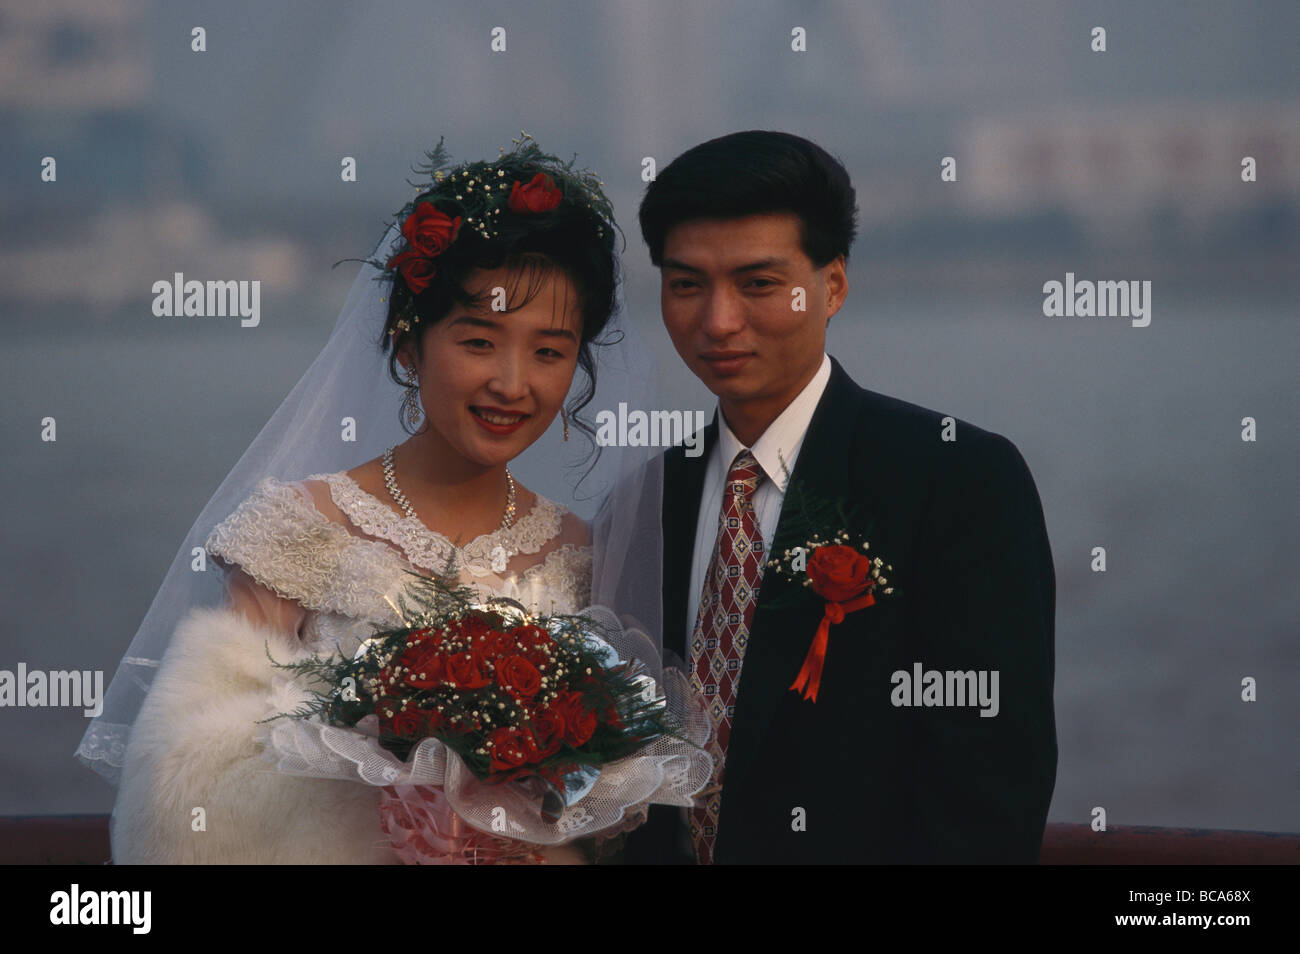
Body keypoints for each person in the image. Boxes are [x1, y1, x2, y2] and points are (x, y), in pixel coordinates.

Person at [77, 136, 676, 863]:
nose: (513, 384)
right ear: (407, 343)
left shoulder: (577, 550)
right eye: (479, 342)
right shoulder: (300, 528)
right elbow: (191, 776)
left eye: (548, 352)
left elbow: (602, 804)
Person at [623, 130, 1058, 864]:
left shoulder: (957, 479)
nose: (718, 320)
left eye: (758, 284)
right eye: (686, 283)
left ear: (833, 285)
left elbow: (988, 788)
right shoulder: (646, 499)